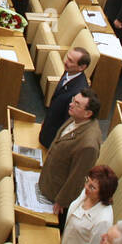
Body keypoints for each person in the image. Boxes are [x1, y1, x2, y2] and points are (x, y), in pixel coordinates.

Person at [40, 90, 103, 224]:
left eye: (77, 104)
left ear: (88, 113)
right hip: (48, 178)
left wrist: (61, 201)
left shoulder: (89, 145)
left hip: (54, 194)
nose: (71, 105)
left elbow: (78, 177)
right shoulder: (76, 118)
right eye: (73, 100)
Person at [62, 166, 118, 244]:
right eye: (87, 181)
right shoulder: (88, 193)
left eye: (92, 187)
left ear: (103, 193)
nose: (86, 187)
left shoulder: (103, 220)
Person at [39, 48, 92, 149]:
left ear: (82, 67)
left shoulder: (78, 92)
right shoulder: (69, 71)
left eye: (71, 61)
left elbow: (68, 122)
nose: (66, 62)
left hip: (52, 139)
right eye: (67, 58)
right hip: (48, 125)